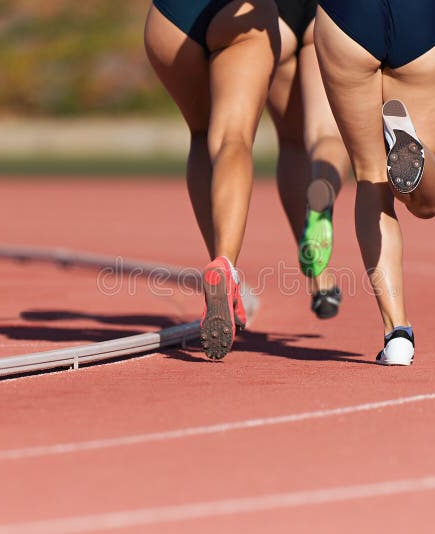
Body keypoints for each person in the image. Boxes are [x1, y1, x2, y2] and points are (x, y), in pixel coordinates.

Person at [314, 0, 435, 365]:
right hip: (419, 14)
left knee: (371, 175)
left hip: (348, 18)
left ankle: (398, 336)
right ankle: (414, 151)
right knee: (428, 204)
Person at [144, 0, 281, 360]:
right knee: (232, 138)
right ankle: (224, 264)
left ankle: (221, 271)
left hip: (171, 20)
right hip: (239, 14)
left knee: (202, 134)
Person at [266, 0, 351, 320]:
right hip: (326, 12)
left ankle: (321, 281)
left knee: (291, 143)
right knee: (326, 135)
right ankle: (323, 194)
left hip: (275, 15)